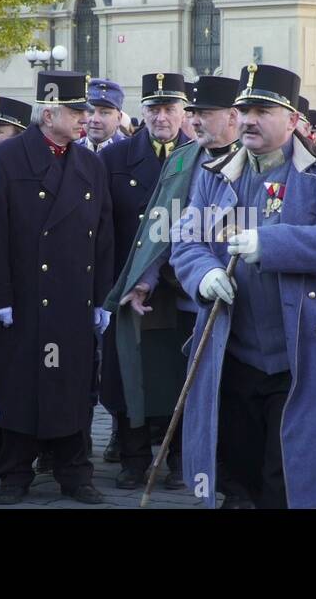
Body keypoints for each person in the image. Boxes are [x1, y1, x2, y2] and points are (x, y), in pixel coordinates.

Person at [171, 64, 316, 509]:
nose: (248, 120)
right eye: (243, 110)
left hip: (301, 353)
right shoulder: (215, 171)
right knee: (236, 479)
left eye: (262, 110)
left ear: (293, 120)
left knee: (288, 478)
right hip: (231, 350)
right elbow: (185, 240)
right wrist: (203, 273)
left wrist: (273, 243)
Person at [0, 71, 114, 506]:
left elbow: (103, 234)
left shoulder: (90, 163)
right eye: (76, 111)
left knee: (72, 384)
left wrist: (102, 296)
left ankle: (74, 470)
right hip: (24, 297)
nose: (84, 119)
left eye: (87, 111)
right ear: (48, 113)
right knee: (18, 384)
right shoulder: (5, 160)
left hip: (73, 295)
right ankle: (14, 473)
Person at [102, 75, 240, 491]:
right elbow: (167, 225)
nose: (188, 120)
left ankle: (207, 460)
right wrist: (143, 278)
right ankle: (147, 457)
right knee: (155, 374)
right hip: (181, 286)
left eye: (194, 112)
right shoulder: (182, 160)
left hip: (241, 288)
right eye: (154, 109)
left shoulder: (249, 157)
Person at [98, 73, 190, 465]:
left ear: (184, 112)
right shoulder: (114, 158)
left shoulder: (200, 155)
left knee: (178, 374)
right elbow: (101, 226)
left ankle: (177, 459)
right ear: (140, 112)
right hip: (128, 277)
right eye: (153, 108)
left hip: (179, 284)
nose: (161, 117)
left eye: (170, 108)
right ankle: (133, 458)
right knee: (128, 373)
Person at [77, 79, 126, 153]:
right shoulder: (71, 151)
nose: (95, 119)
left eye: (104, 113)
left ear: (119, 118)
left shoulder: (130, 152)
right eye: (90, 111)